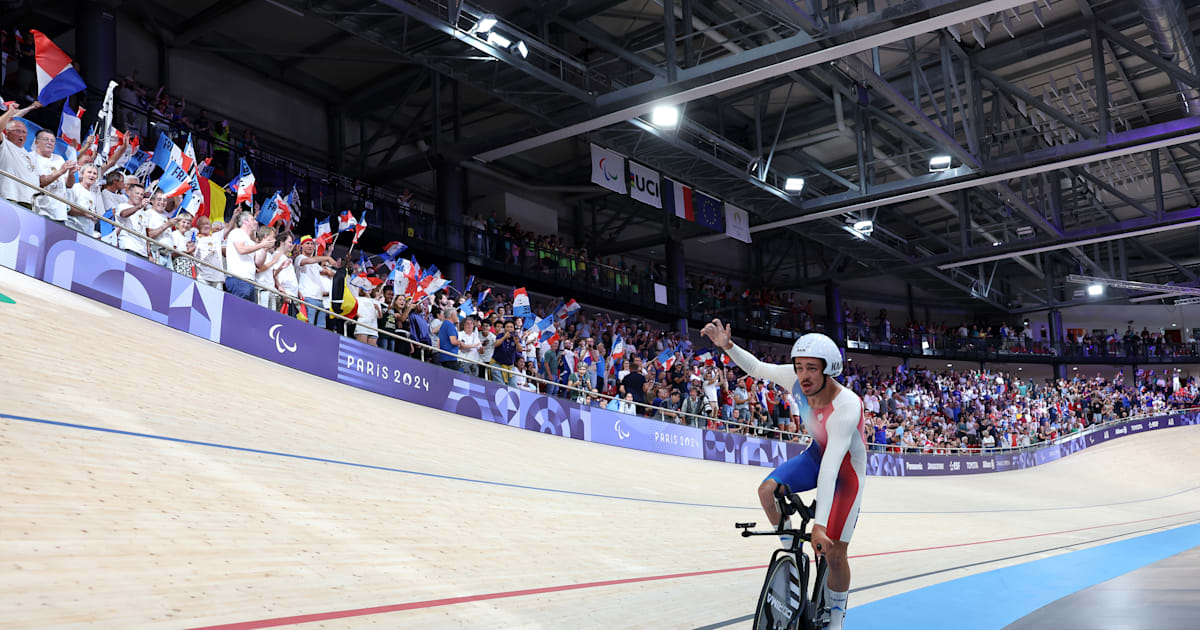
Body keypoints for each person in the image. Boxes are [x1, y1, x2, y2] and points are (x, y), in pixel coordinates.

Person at [701, 321, 864, 630]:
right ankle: (790, 551)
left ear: (827, 370)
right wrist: (728, 346)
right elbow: (758, 368)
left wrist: (819, 527)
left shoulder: (846, 405)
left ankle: (837, 618)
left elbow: (831, 468)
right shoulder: (793, 378)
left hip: (845, 471)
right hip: (817, 454)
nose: (803, 374)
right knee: (766, 491)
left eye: (811, 368)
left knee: (835, 553)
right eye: (799, 367)